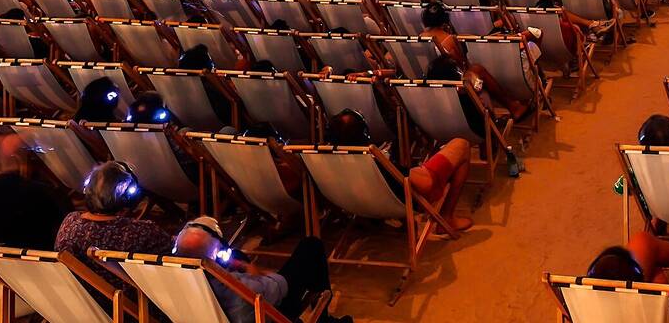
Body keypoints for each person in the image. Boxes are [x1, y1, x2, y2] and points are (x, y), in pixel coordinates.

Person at [174, 216, 347, 323]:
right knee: (311, 246)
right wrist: (255, 273)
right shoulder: (234, 286)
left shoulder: (168, 279)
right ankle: (324, 319)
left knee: (237, 255)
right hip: (261, 313)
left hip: (207, 313)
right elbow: (279, 288)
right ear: (215, 253)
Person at [324, 110, 473, 233]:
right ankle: (446, 218)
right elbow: (426, 185)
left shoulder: (329, 165)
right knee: (461, 145)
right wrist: (419, 170)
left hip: (361, 205)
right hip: (408, 198)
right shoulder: (376, 162)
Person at [56, 161, 172, 263]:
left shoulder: (70, 222)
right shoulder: (141, 231)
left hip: (78, 287)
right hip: (130, 287)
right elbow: (175, 251)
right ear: (128, 198)